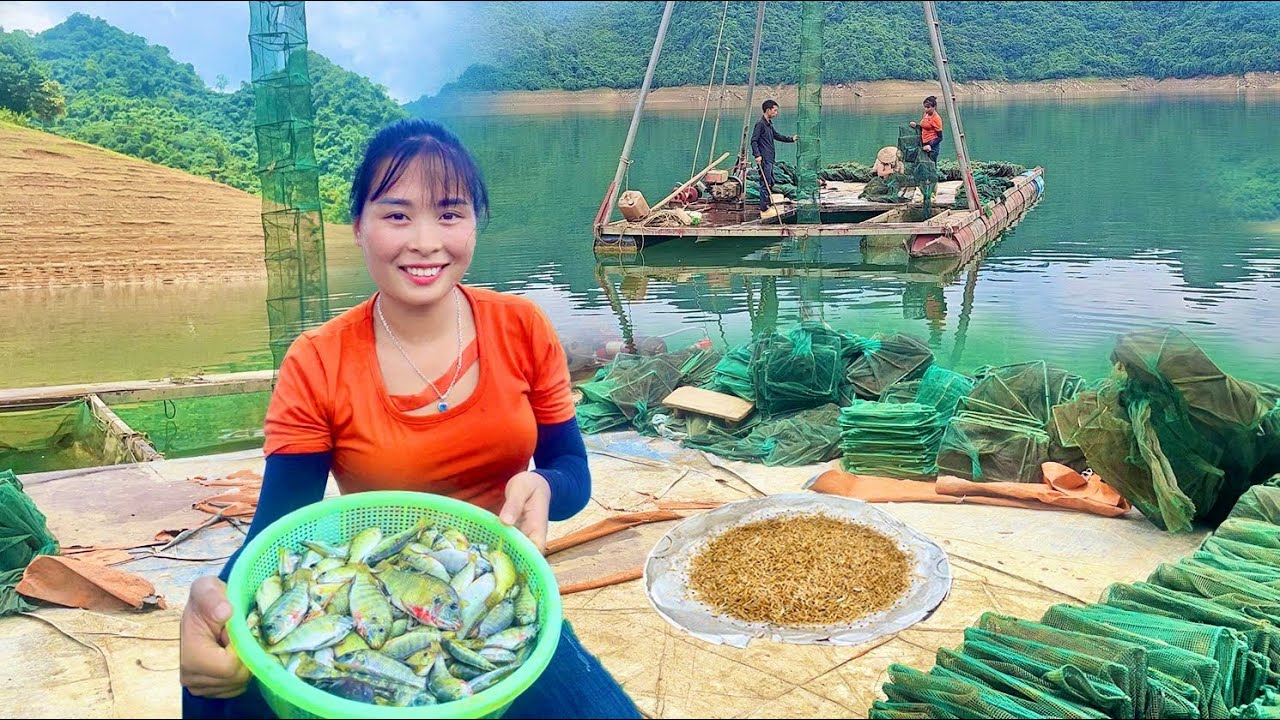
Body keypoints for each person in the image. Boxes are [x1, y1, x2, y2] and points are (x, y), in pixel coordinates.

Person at [179, 118, 642, 720]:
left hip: (486, 591)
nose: (426, 241)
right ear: (359, 228)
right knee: (215, 684)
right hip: (373, 587)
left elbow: (569, 470)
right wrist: (212, 603)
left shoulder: (522, 326)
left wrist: (543, 486)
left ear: (476, 224)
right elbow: (278, 525)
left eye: (450, 214)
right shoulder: (319, 360)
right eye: (397, 215)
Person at [750, 99, 796, 214]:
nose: (776, 113)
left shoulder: (769, 124)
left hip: (770, 158)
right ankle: (764, 207)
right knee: (765, 182)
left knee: (770, 181)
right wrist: (757, 155)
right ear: (768, 110)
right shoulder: (760, 124)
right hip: (764, 158)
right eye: (774, 110)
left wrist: (791, 139)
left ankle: (768, 202)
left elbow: (776, 135)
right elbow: (754, 141)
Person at [910, 95, 944, 162]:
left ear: (934, 107)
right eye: (925, 107)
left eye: (928, 107)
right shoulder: (926, 114)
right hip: (924, 143)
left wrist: (930, 145)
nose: (926, 109)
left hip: (932, 146)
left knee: (931, 166)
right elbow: (924, 127)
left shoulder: (936, 119)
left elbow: (940, 137)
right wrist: (916, 126)